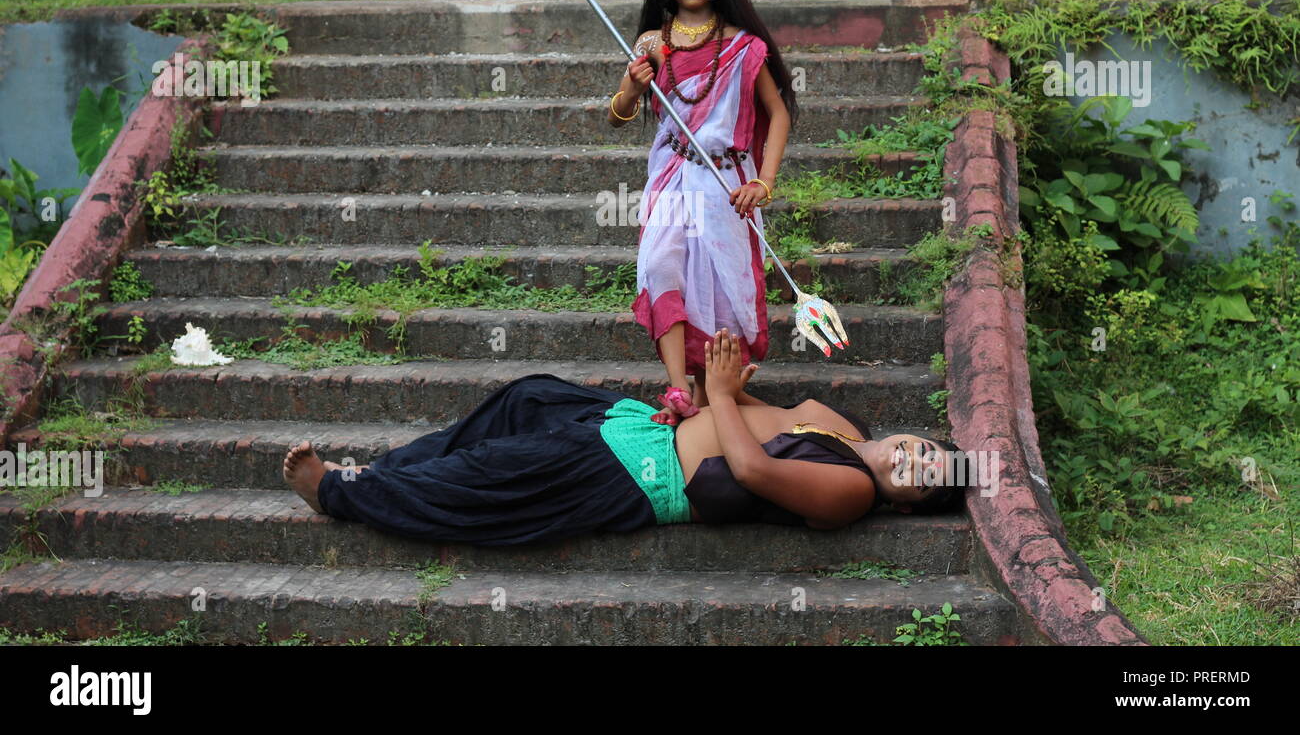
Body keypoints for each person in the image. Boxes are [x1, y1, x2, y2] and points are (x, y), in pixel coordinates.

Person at [282, 329, 965, 546]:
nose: (913, 458)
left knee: (494, 472)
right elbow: (753, 411)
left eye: (920, 476)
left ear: (904, 503)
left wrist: (723, 398)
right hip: (643, 426)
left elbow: (754, 469)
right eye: (926, 450)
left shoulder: (849, 492)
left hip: (640, 479)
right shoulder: (844, 426)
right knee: (528, 395)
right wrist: (714, 386)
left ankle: (340, 493)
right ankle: (385, 469)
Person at [609, 0, 798, 424]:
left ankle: (707, 392)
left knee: (715, 289)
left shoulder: (744, 46)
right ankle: (676, 390)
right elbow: (617, 115)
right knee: (660, 265)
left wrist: (765, 181)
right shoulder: (652, 43)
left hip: (724, 183)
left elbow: (778, 113)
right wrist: (632, 84)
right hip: (672, 174)